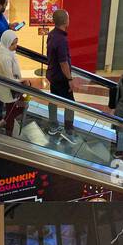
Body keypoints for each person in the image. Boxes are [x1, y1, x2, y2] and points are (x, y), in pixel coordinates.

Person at [45, 8, 77, 144]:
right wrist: (70, 79)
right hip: (61, 77)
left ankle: (53, 125)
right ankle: (68, 130)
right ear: (65, 21)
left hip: (52, 74)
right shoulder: (62, 40)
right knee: (70, 103)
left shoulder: (52, 34)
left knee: (53, 99)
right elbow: (63, 62)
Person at [0, 29, 26, 133]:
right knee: (19, 106)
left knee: (13, 108)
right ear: (7, 42)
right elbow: (10, 80)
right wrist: (23, 82)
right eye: (13, 44)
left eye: (16, 42)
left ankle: (3, 122)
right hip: (8, 90)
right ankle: (7, 131)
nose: (15, 46)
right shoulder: (6, 58)